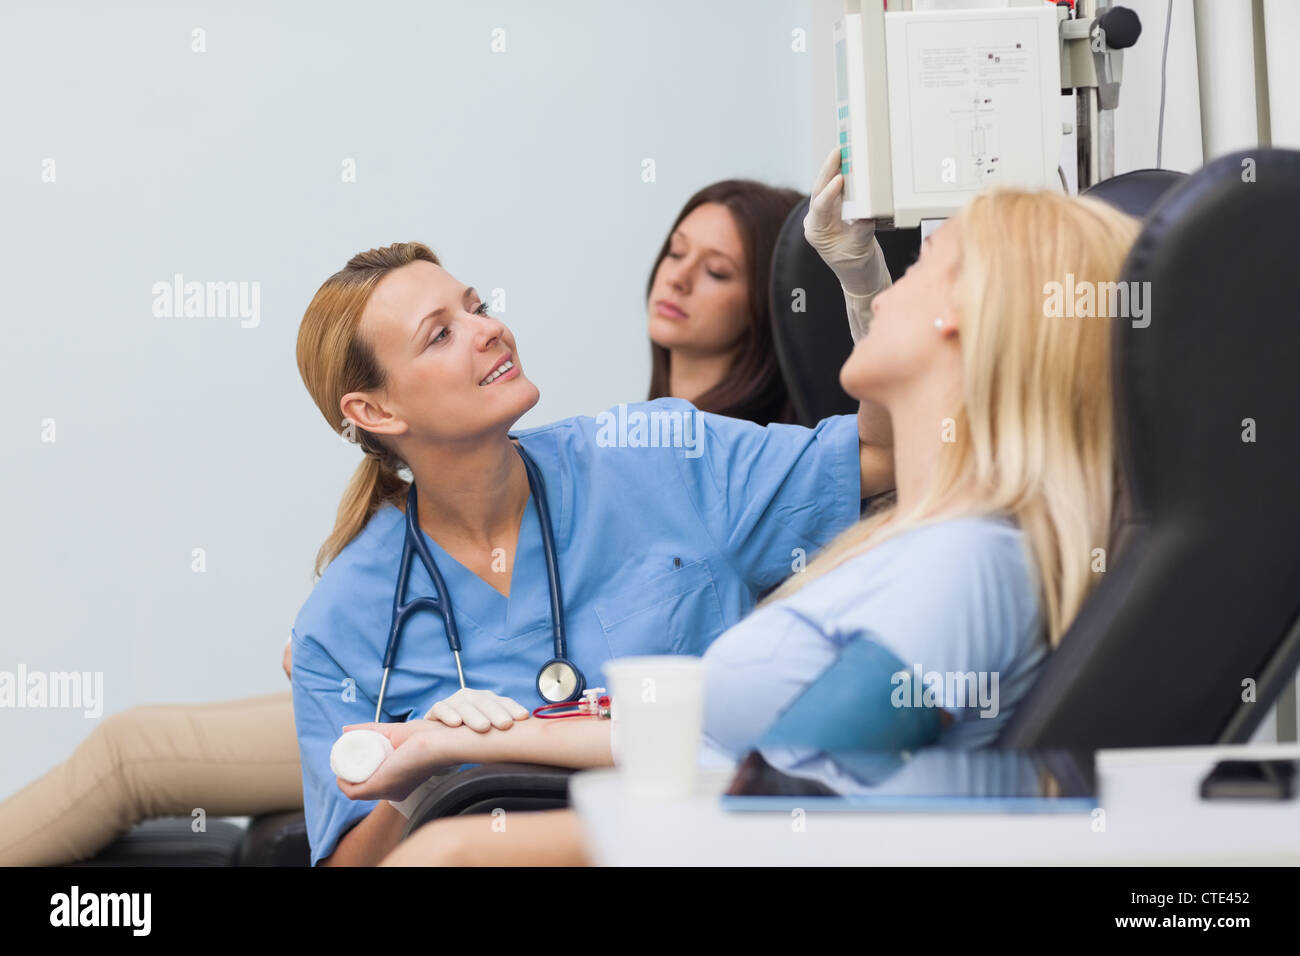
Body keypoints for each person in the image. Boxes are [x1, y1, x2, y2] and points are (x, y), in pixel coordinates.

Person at [0, 159, 892, 866]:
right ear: (376, 413)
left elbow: (897, 453)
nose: (489, 329)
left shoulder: (664, 456)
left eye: (478, 307)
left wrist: (861, 284)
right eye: (442, 333)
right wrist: (416, 764)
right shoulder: (344, 619)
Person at [330, 184, 1142, 866]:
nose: (887, 291)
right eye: (441, 333)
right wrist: (445, 750)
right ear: (375, 412)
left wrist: (460, 851)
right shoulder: (919, 553)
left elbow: (780, 812)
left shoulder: (964, 568)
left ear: (966, 315)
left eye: (921, 267)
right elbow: (711, 749)